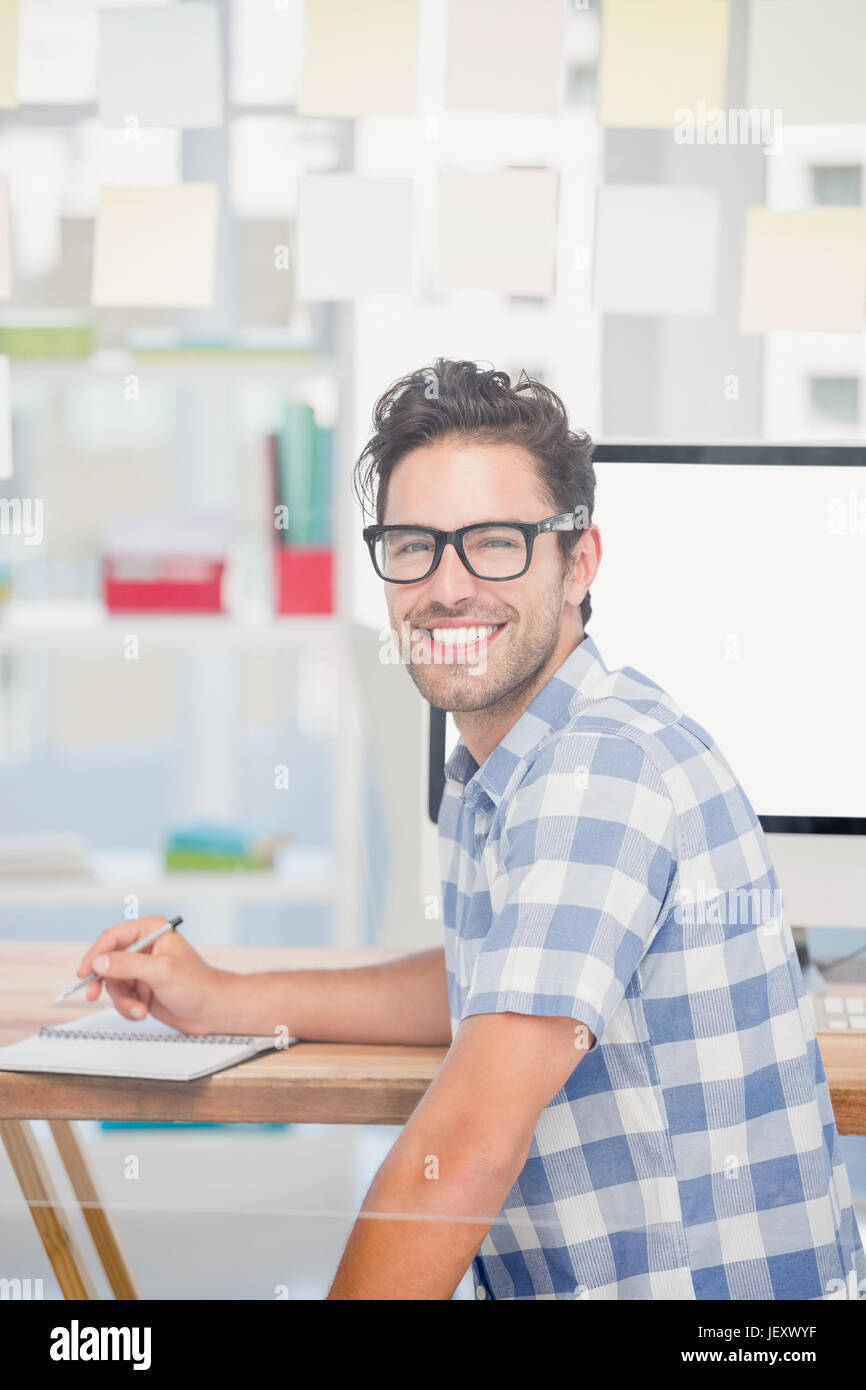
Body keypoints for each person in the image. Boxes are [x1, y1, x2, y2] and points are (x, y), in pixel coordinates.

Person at [77, 359, 866, 1301]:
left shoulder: (599, 772)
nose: (447, 587)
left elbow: (463, 1150)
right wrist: (226, 999)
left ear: (580, 563)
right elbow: (487, 985)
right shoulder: (509, 769)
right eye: (414, 544)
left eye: (495, 542)